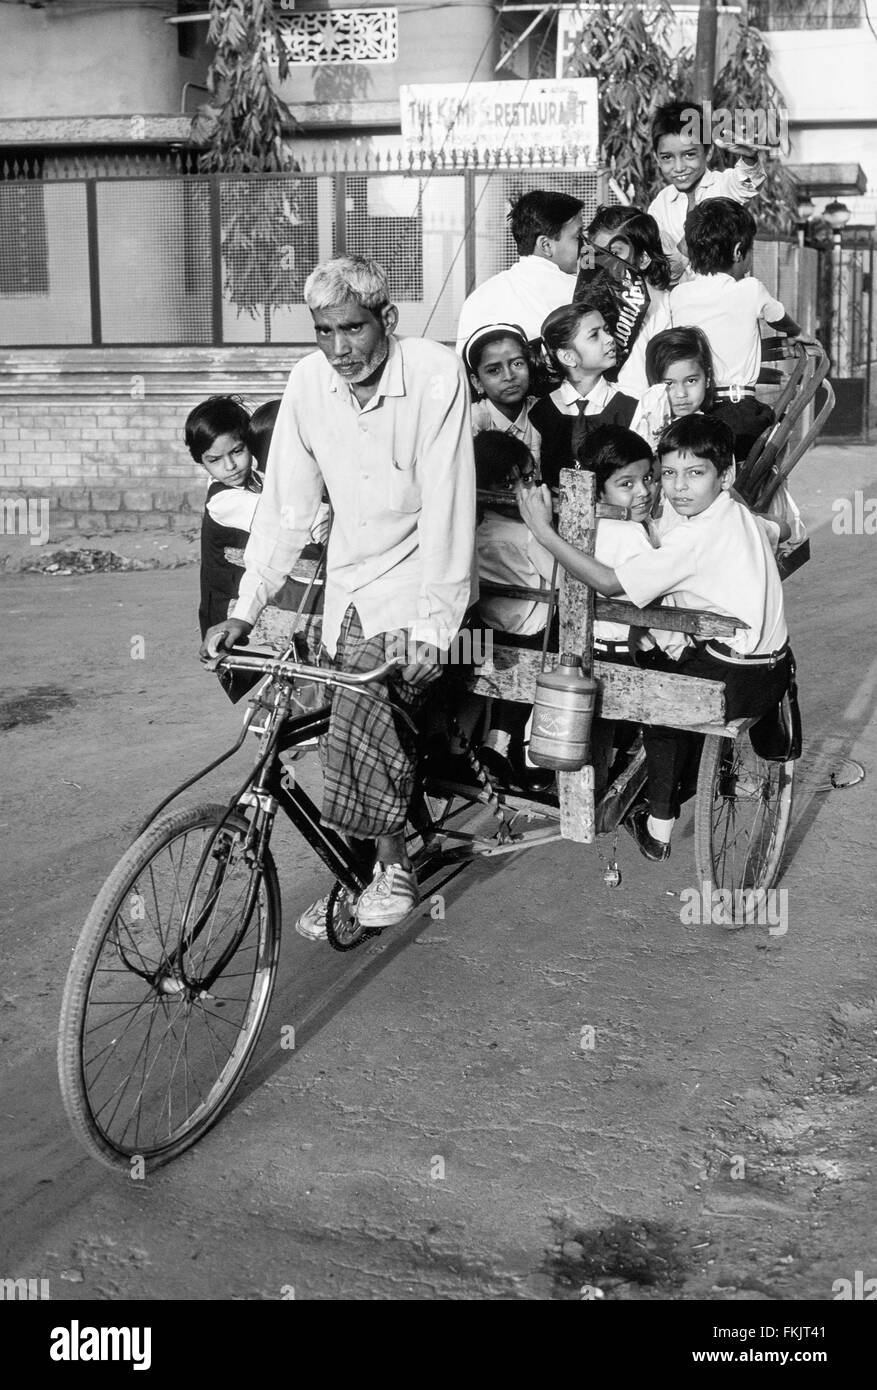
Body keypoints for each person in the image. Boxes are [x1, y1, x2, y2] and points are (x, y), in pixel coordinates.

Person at [201, 256, 476, 937]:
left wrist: (434, 630)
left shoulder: (435, 374)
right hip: (350, 587)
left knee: (363, 702)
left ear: (386, 319)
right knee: (316, 722)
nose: (338, 349)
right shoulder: (308, 382)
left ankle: (390, 865)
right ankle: (357, 870)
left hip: (420, 591)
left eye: (352, 329)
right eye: (323, 331)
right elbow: (286, 510)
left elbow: (448, 509)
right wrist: (244, 610)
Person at [517, 414, 791, 862]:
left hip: (733, 677)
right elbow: (776, 530)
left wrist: (543, 530)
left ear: (726, 474)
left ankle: (658, 820)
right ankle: (755, 740)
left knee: (659, 708)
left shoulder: (690, 538)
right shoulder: (736, 511)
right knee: (668, 660)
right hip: (771, 668)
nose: (676, 487)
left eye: (694, 473)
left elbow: (607, 583)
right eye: (670, 474)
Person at [663, 198, 803, 461]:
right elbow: (777, 315)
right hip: (741, 414)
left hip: (694, 411)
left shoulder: (678, 295)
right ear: (739, 251)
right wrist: (797, 332)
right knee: (771, 442)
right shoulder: (749, 289)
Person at [472, 431, 555, 789]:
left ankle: (474, 744)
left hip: (485, 629)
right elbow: (560, 578)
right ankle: (515, 746)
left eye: (529, 478)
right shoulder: (528, 535)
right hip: (533, 635)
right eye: (511, 482)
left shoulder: (474, 530)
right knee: (552, 666)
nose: (525, 490)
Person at [647, 100, 766, 285]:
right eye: (667, 157)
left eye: (689, 155)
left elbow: (747, 183)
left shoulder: (722, 185)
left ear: (708, 152)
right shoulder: (661, 204)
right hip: (681, 304)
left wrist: (749, 157)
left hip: (726, 300)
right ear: (656, 158)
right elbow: (661, 265)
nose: (678, 167)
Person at [455, 190, 583, 352]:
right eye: (578, 236)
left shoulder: (479, 296)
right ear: (546, 245)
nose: (585, 245)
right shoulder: (578, 291)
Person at [529, 301, 640, 488]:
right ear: (567, 357)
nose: (609, 339)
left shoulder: (631, 408)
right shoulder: (540, 413)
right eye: (594, 335)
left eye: (606, 330)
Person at [185, 394, 260, 642]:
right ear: (201, 462)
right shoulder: (223, 501)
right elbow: (282, 518)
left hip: (253, 599)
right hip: (228, 611)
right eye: (215, 460)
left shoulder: (257, 480)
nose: (230, 466)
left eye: (237, 451)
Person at [575, 205, 672, 396]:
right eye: (598, 252)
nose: (603, 263)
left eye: (615, 254)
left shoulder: (665, 308)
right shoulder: (587, 301)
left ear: (643, 259)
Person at [463, 321, 541, 474]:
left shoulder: (545, 412)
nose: (509, 376)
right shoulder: (470, 423)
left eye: (517, 364)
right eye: (494, 370)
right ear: (477, 382)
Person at [630, 325, 717, 452]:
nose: (681, 394)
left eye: (691, 381)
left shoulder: (714, 435)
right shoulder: (644, 427)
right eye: (669, 384)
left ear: (707, 378)